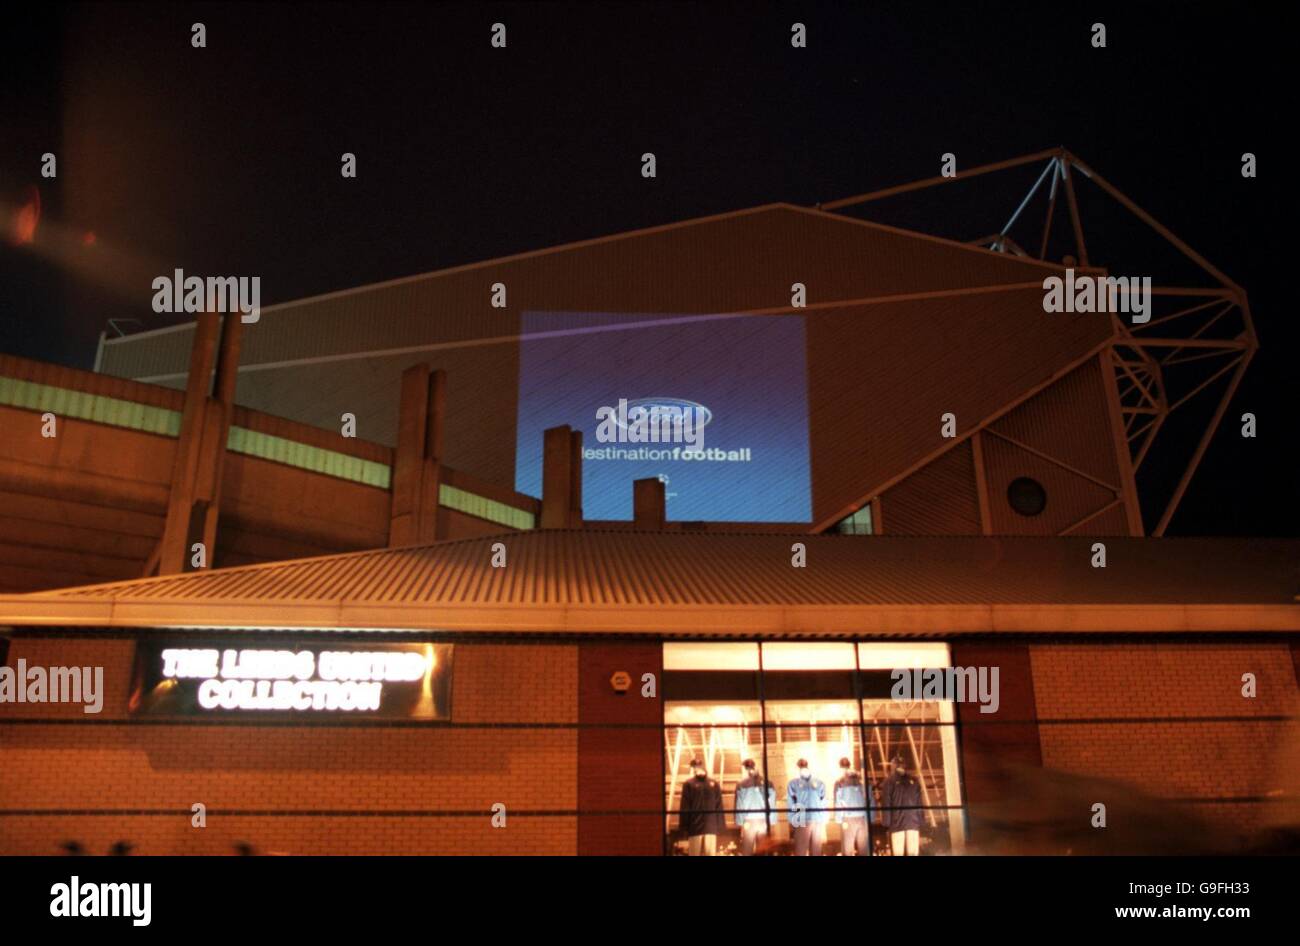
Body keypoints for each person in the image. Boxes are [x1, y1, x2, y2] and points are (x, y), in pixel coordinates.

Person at [881, 755, 924, 856]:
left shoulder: (888, 782)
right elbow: (919, 803)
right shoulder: (914, 781)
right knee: (913, 853)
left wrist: (886, 822)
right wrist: (921, 820)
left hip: (896, 824)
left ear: (893, 766)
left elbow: (886, 804)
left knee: (898, 852)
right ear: (905, 766)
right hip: (913, 822)